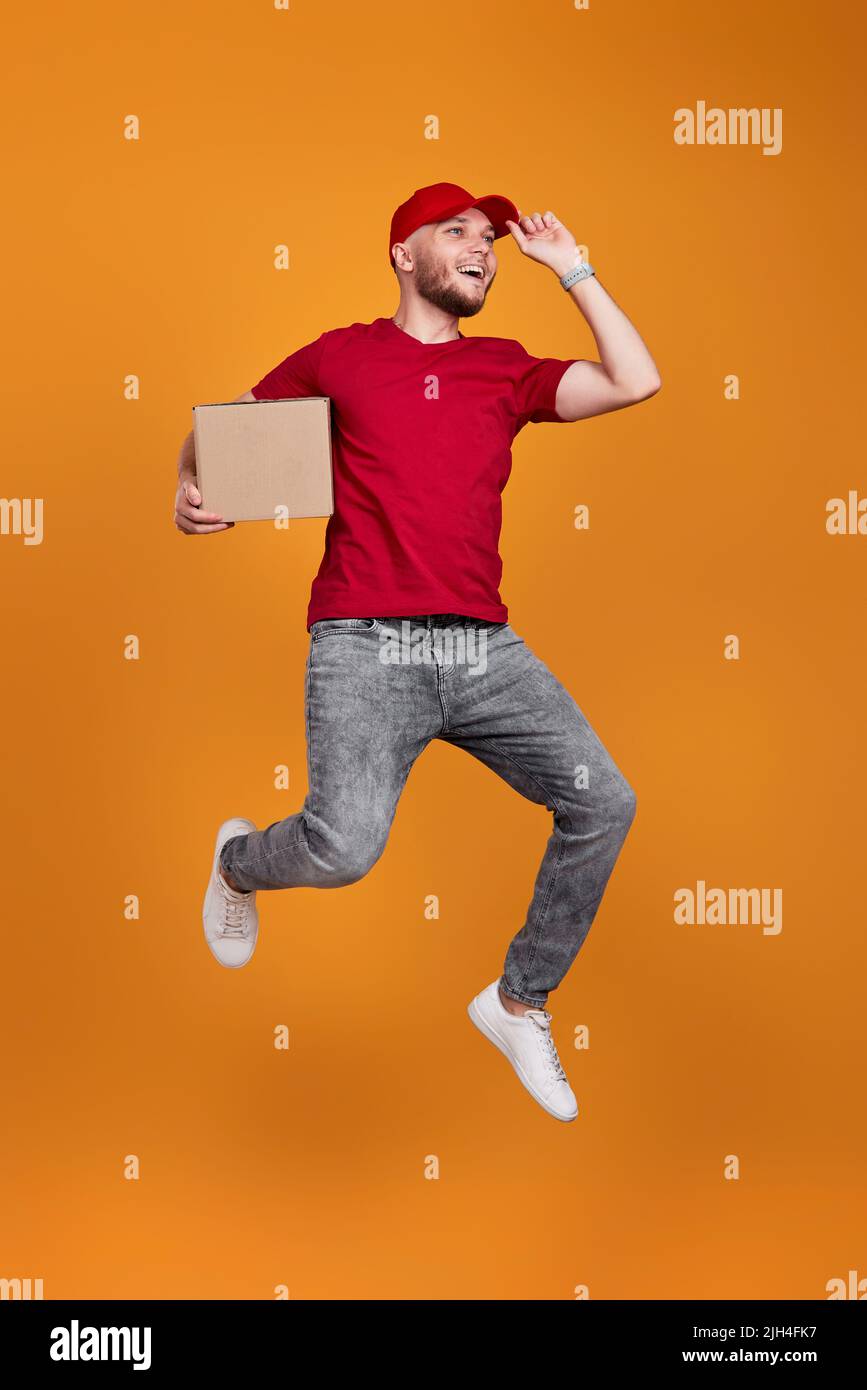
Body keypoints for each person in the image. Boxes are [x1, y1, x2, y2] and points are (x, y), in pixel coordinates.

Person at [174, 181, 661, 1122]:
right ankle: (240, 865)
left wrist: (575, 272)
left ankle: (518, 1001)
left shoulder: (503, 370)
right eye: (457, 233)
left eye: (488, 238)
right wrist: (191, 483)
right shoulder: (341, 356)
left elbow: (634, 379)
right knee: (343, 847)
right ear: (404, 254)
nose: (481, 248)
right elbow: (225, 434)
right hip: (364, 643)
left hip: (485, 652)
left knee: (604, 801)